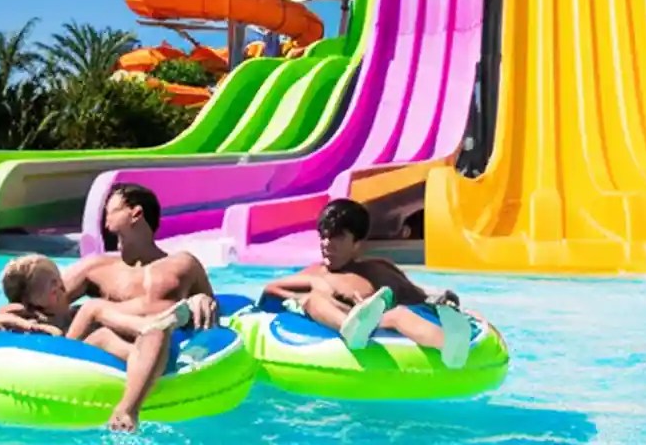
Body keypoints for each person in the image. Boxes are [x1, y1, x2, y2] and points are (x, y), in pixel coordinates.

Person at [57, 183, 220, 433]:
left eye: (110, 211)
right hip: (106, 345)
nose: (104, 221)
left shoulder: (183, 264)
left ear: (136, 213)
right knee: (132, 323)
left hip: (157, 345)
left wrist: (201, 299)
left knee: (157, 330)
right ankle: (127, 409)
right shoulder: (96, 267)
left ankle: (127, 410)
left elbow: (214, 316)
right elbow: (43, 300)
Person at [260, 198, 475, 369]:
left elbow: (417, 296)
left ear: (357, 243)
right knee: (313, 301)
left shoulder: (377, 270)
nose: (327, 244)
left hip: (375, 323)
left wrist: (443, 301)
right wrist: (314, 285)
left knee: (399, 315)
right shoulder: (315, 273)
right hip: (339, 321)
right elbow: (271, 289)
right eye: (324, 237)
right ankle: (349, 328)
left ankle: (450, 347)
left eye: (337, 238)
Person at [0, 253, 190, 338]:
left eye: (58, 279)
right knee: (92, 308)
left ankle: (162, 320)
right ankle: (146, 327)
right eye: (51, 283)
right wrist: (36, 327)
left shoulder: (69, 312)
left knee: (99, 310)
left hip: (75, 341)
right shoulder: (30, 311)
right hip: (62, 349)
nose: (60, 286)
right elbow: (0, 317)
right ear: (30, 298)